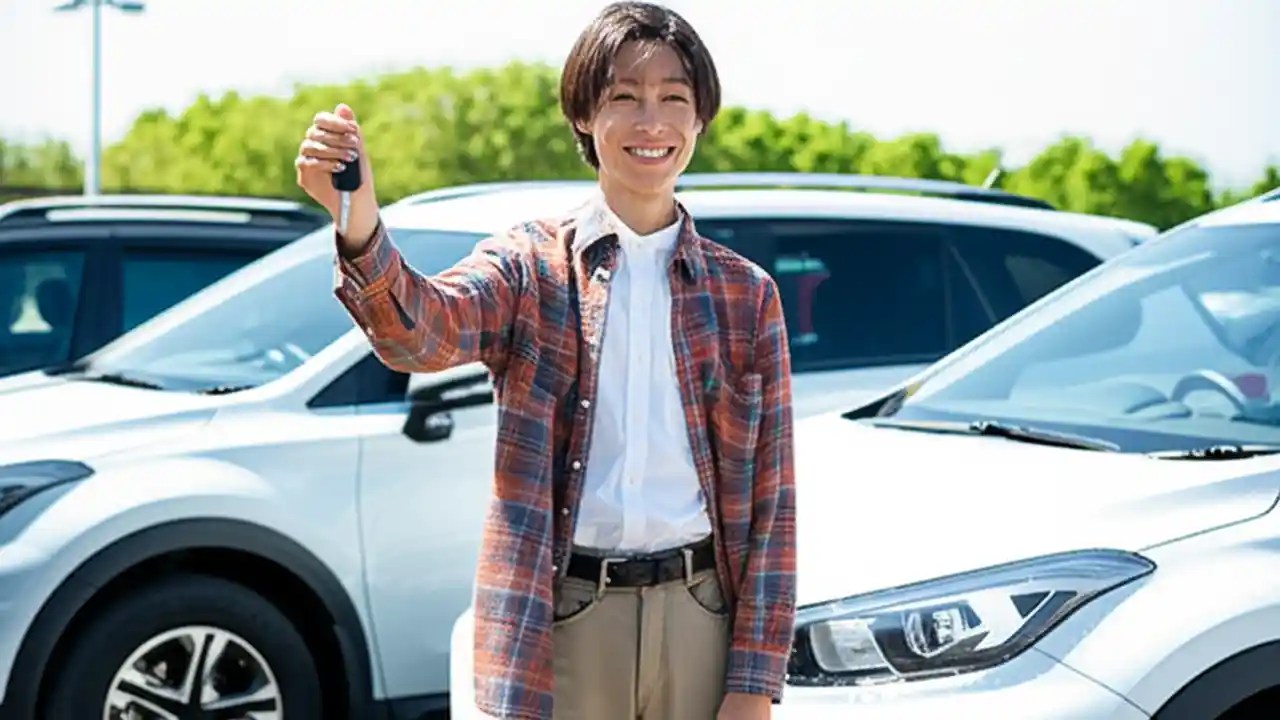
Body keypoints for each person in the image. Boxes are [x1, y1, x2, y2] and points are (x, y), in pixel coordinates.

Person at [294, 3, 796, 717]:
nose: (651, 121)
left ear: (699, 121)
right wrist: (358, 220)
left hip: (700, 614)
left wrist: (754, 683)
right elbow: (419, 335)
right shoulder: (532, 267)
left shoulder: (746, 296)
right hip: (565, 616)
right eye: (624, 96)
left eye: (673, 99)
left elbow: (774, 507)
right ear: (586, 115)